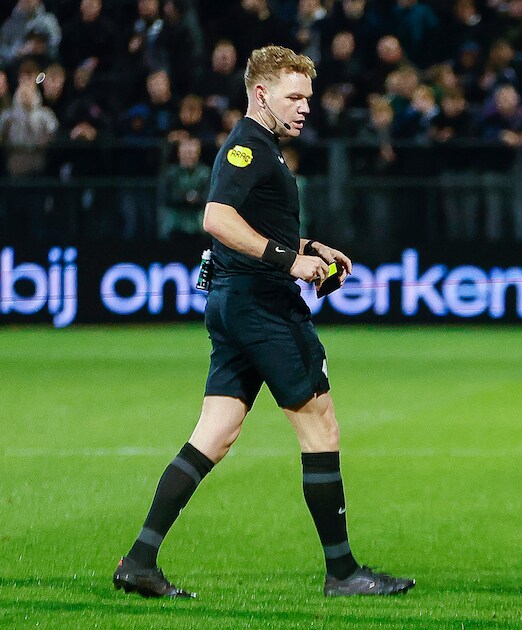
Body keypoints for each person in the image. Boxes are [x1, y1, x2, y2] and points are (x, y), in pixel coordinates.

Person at [112, 45, 413, 599]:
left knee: (215, 434)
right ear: (260, 94)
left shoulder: (265, 149)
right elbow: (217, 218)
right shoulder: (248, 148)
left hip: (233, 303)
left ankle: (139, 561)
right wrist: (289, 262)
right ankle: (343, 574)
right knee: (320, 425)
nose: (304, 108)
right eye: (293, 97)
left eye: (308, 98)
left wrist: (309, 246)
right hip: (263, 307)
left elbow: (255, 225)